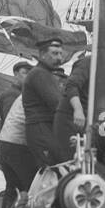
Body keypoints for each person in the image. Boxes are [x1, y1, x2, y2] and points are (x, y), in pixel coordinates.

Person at [0, 62, 38, 208]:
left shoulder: (19, 94)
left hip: (10, 145)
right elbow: (10, 120)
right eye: (24, 73)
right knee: (30, 185)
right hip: (16, 145)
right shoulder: (12, 95)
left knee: (12, 187)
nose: (27, 77)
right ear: (15, 74)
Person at [22, 37, 68, 168]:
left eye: (60, 54)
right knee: (54, 171)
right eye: (54, 54)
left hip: (44, 129)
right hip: (41, 129)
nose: (59, 58)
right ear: (42, 55)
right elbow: (57, 103)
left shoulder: (45, 74)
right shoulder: (39, 74)